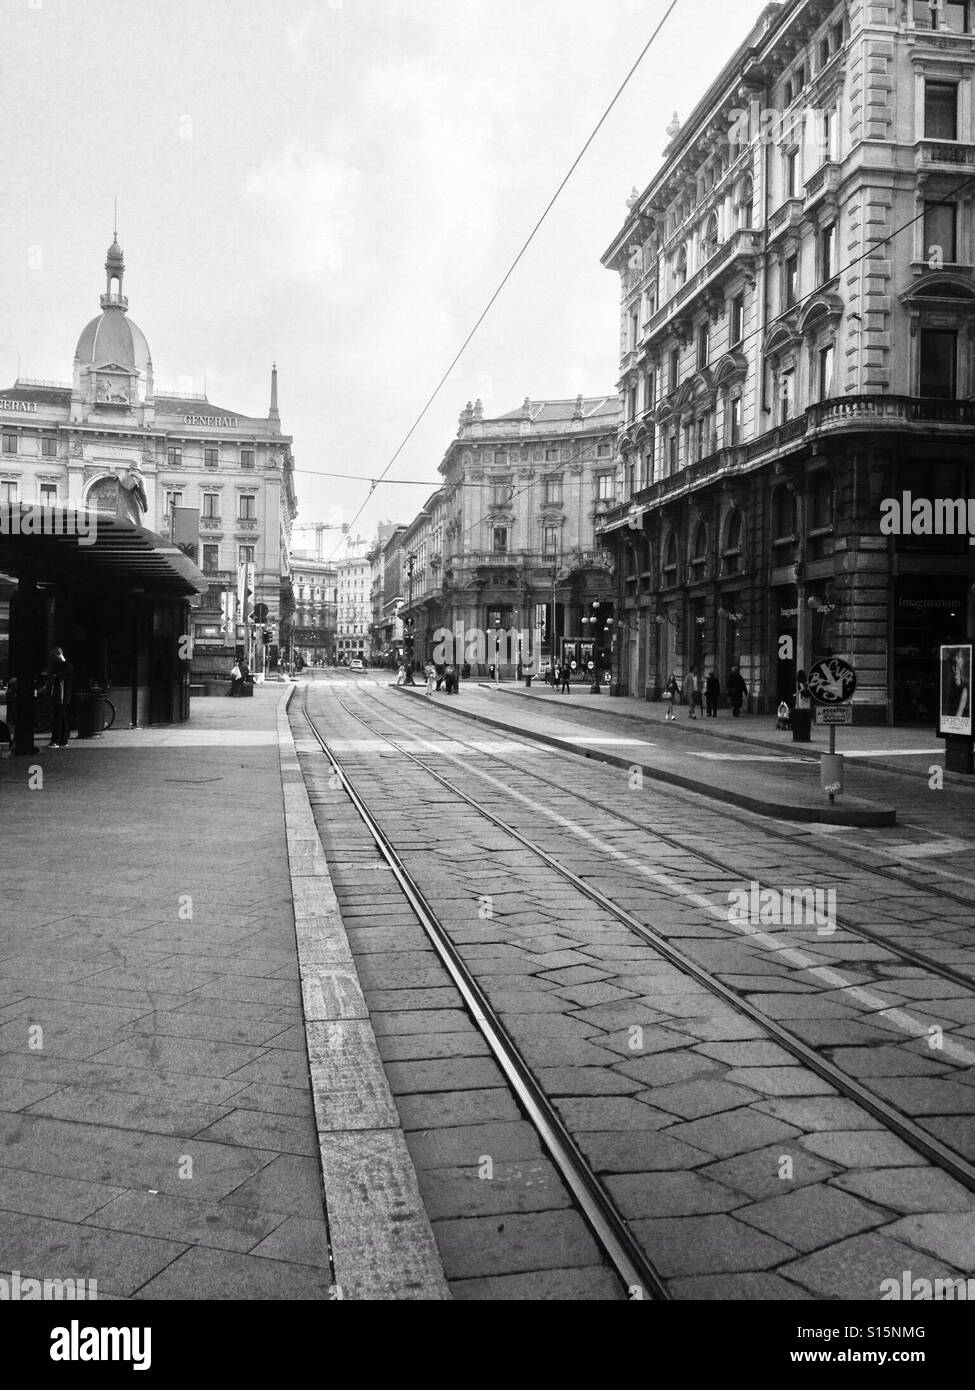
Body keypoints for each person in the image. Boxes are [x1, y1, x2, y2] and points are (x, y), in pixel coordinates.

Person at [47, 647, 73, 747]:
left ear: (58, 655)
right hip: (63, 695)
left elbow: (56, 678)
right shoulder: (66, 667)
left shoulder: (65, 667)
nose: (52, 659)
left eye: (53, 656)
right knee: (62, 717)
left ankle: (56, 740)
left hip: (61, 696)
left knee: (58, 717)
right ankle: (63, 740)